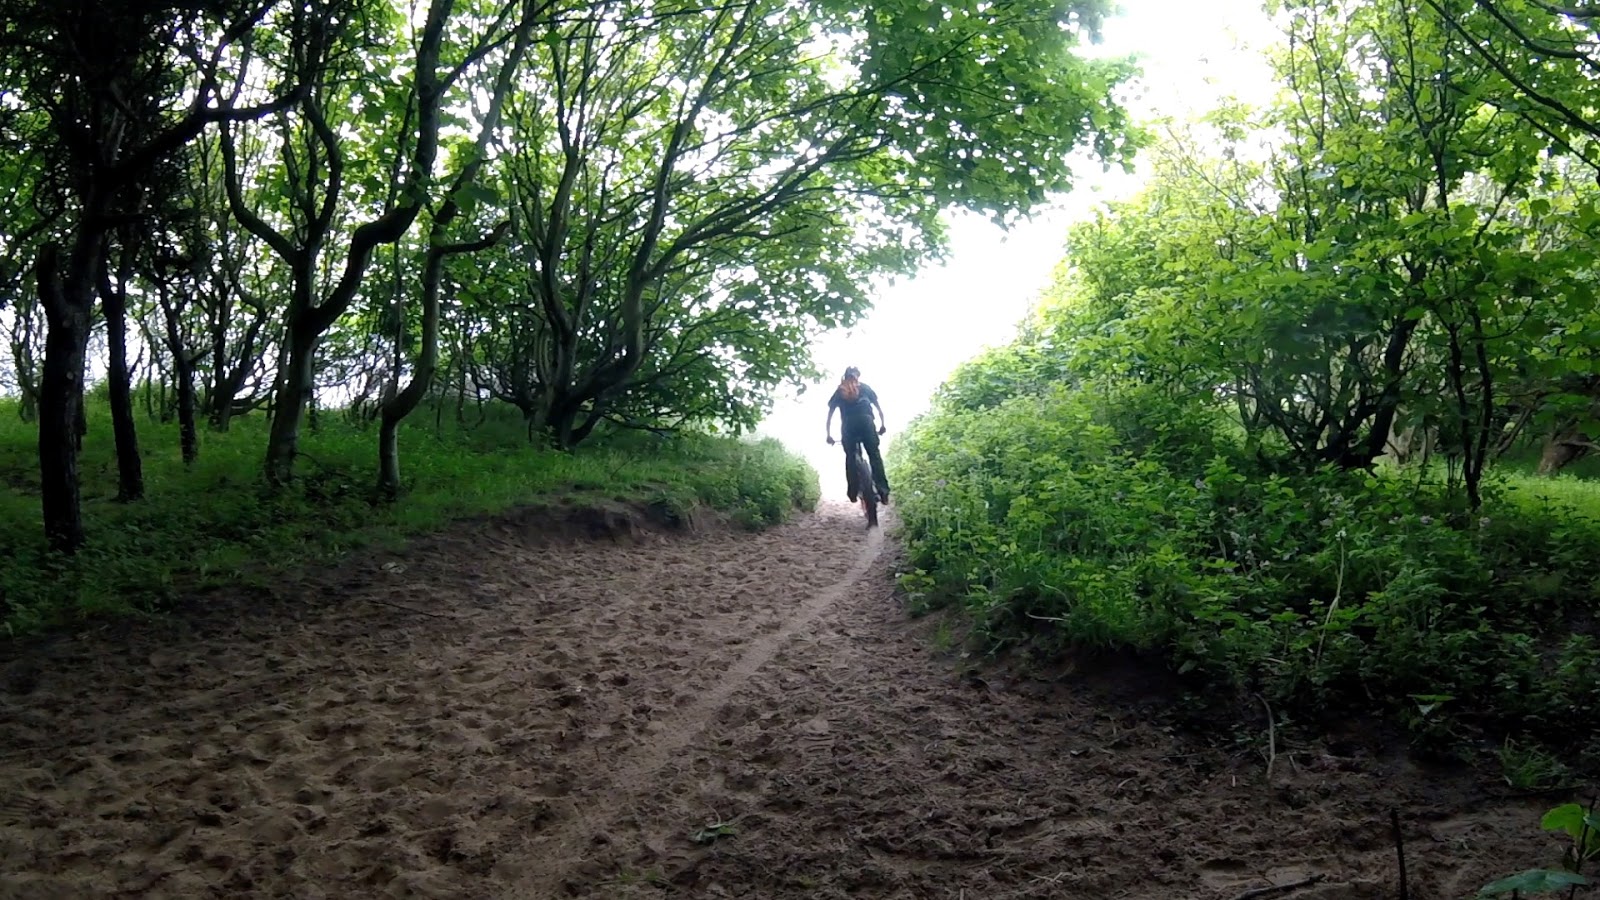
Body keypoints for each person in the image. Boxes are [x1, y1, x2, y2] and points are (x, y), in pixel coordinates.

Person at [825, 366, 890, 504]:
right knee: (874, 455)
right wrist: (882, 425)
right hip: (867, 422)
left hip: (849, 425)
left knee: (850, 456)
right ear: (857, 376)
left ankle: (853, 492)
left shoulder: (839, 391)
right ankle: (883, 491)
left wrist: (828, 434)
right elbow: (879, 409)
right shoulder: (865, 388)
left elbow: (830, 415)